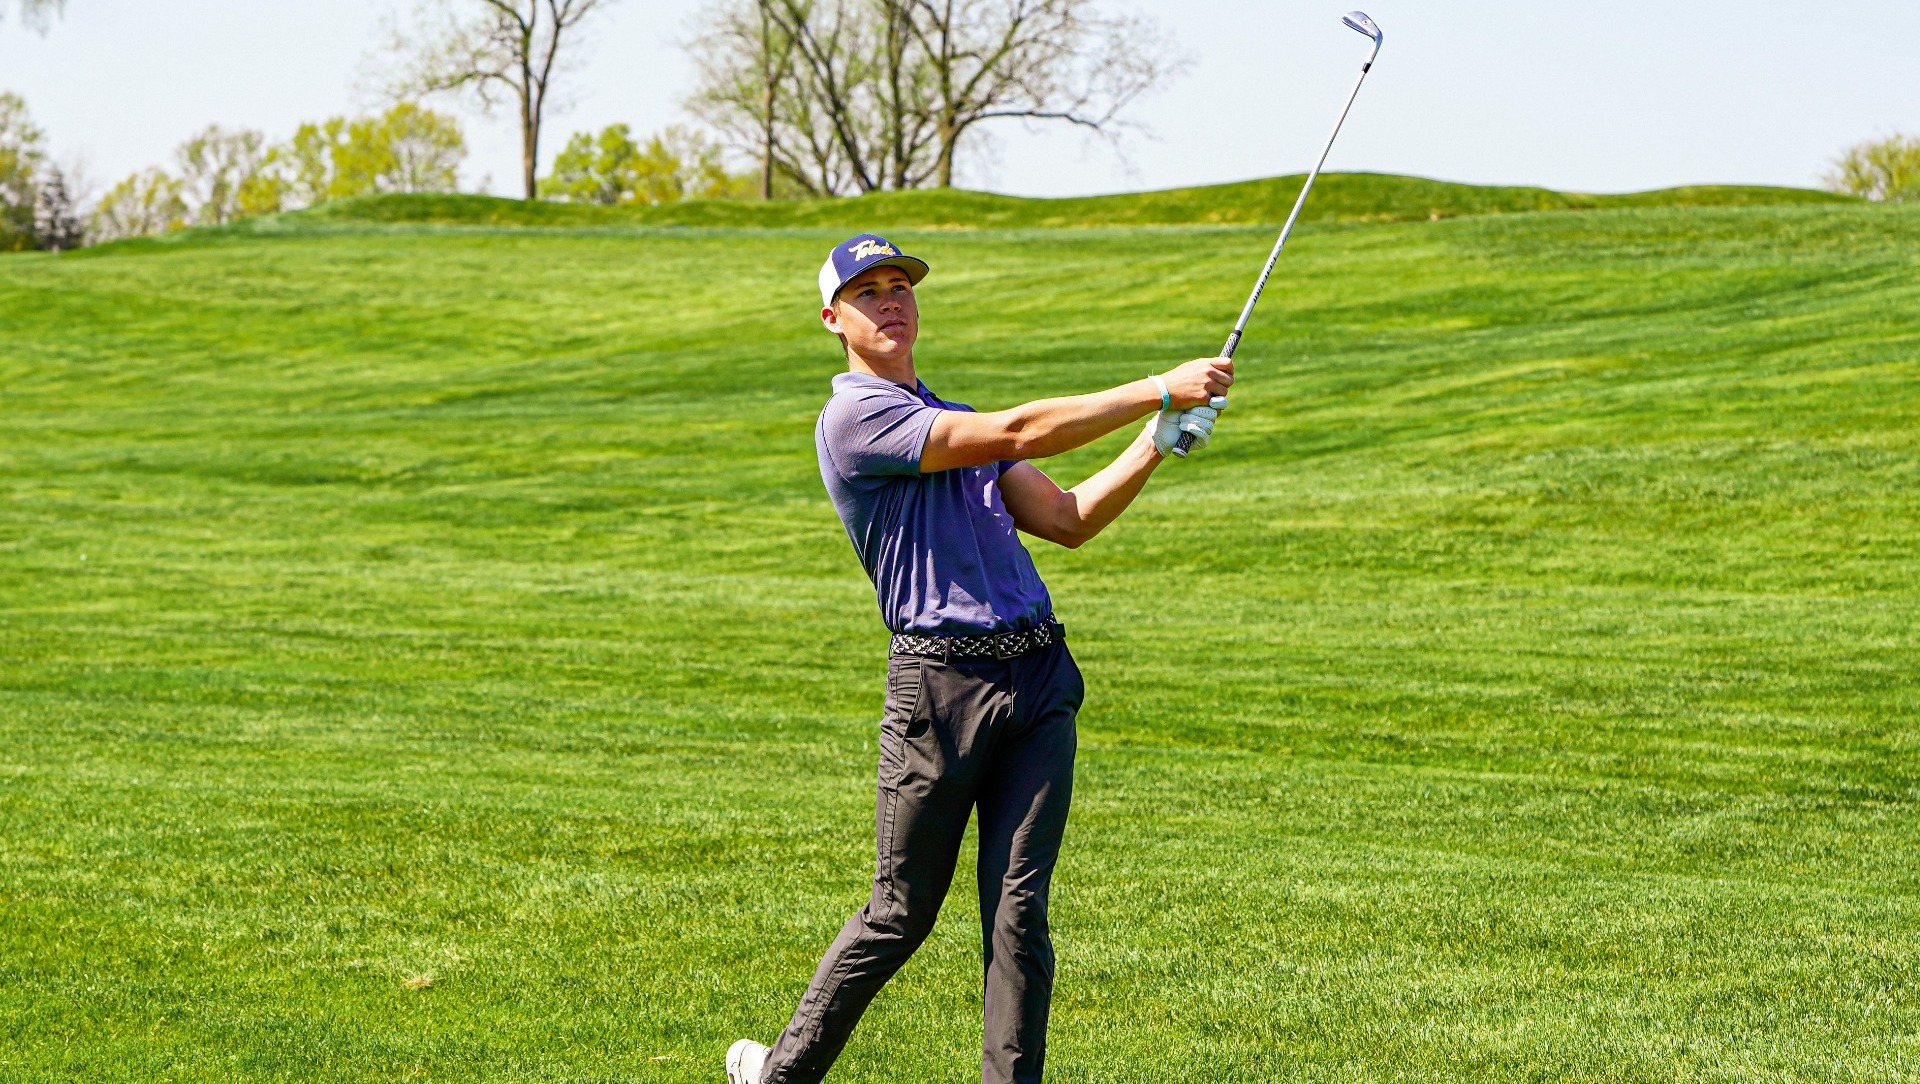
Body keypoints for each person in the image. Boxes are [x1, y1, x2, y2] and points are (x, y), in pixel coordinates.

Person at [727, 234, 1233, 1084]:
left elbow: (1069, 518)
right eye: (867, 291)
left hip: (1036, 678)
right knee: (900, 913)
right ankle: (780, 1076)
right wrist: (1157, 385)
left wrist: (1156, 438)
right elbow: (1019, 428)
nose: (890, 300)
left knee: (1018, 916)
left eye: (901, 286)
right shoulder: (859, 418)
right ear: (832, 319)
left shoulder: (950, 419)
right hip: (941, 690)